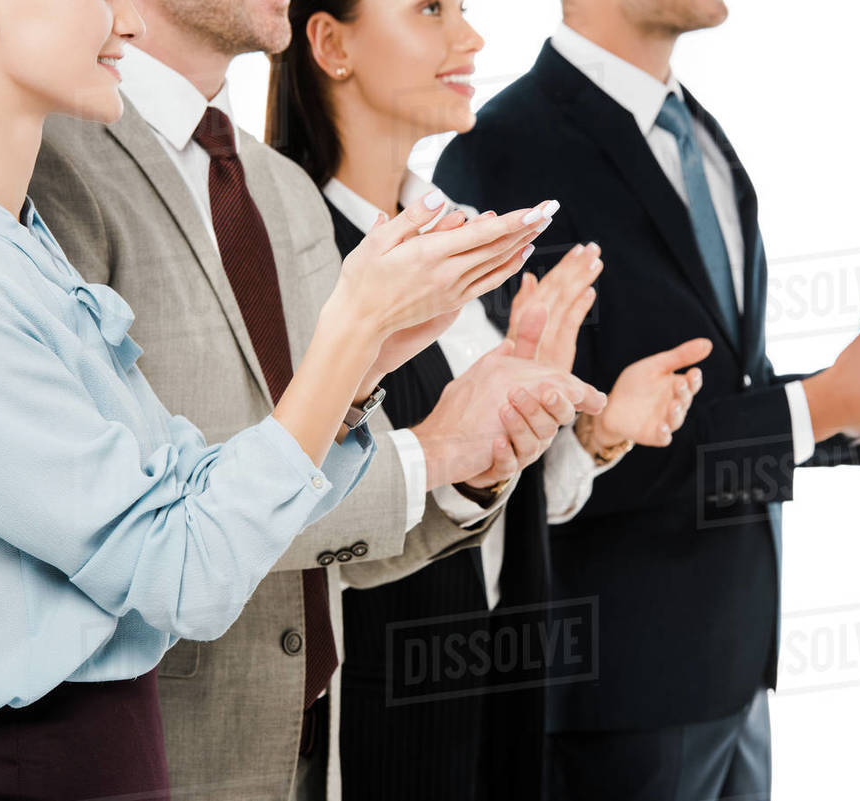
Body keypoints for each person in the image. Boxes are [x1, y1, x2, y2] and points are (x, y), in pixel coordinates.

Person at [0, 1, 574, 799]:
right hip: (64, 768)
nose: (127, 23)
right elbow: (179, 565)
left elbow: (184, 491)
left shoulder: (12, 239)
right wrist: (352, 333)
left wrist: (355, 370)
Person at [434, 1, 860, 799]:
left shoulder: (699, 135)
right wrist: (829, 401)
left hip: (739, 673)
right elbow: (552, 456)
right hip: (615, 694)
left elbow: (715, 389)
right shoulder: (501, 151)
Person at [268, 2, 713, 798]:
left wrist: (590, 428)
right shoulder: (295, 257)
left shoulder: (458, 235)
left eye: (465, 11)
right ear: (332, 44)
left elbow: (481, 500)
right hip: (383, 721)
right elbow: (286, 512)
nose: (469, 39)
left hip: (496, 695)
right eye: (431, 9)